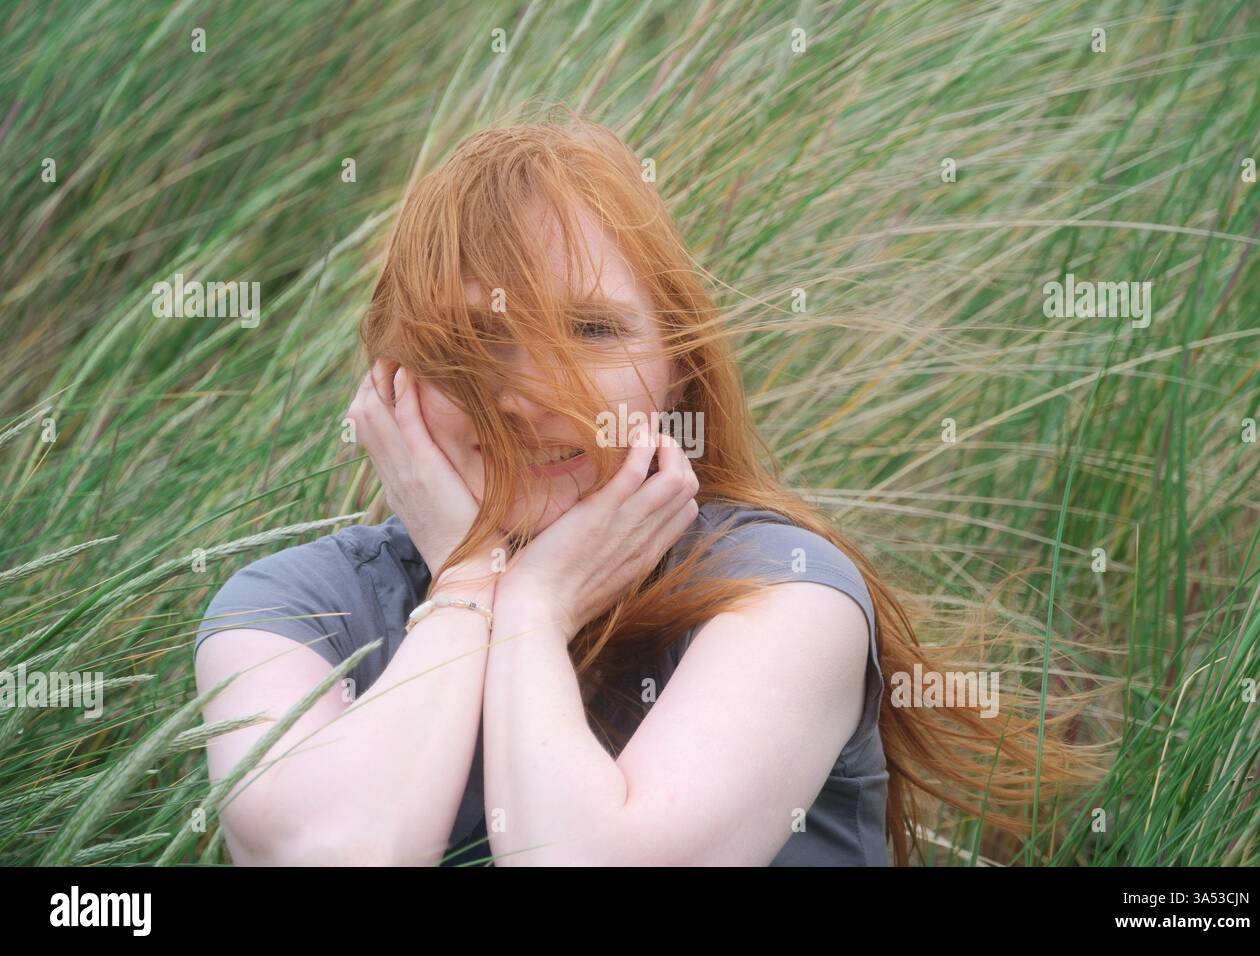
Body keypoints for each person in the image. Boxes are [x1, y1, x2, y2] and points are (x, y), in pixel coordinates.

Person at [193, 109, 1086, 866]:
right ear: (393, 379)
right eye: (476, 336)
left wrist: (536, 611)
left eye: (591, 329)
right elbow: (337, 851)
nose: (532, 394)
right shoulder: (291, 610)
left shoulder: (784, 594)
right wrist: (471, 585)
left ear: (677, 370)